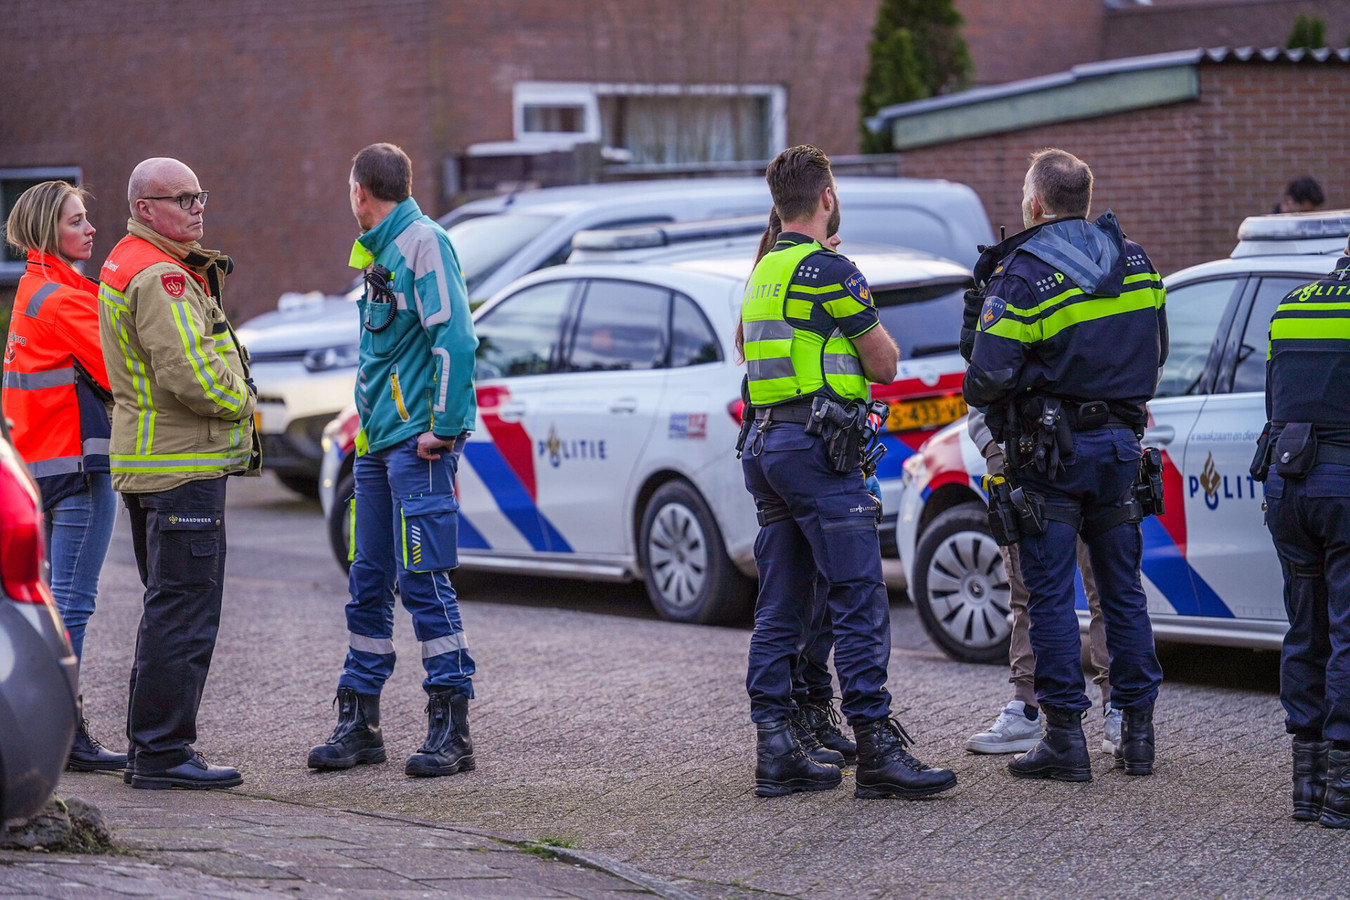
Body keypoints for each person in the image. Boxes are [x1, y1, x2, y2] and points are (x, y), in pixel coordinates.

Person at [738, 144, 956, 799]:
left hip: (769, 446)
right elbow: (885, 362)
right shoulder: (830, 270)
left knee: (780, 604)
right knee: (859, 597)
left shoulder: (763, 272)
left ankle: (777, 743)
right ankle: (877, 750)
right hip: (818, 450)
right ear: (826, 198)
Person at [964, 148, 1167, 782]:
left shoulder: (1024, 274)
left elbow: (986, 378)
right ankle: (1136, 735)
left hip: (1051, 456)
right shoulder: (1136, 261)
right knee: (1122, 591)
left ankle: (1062, 740)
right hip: (1119, 451)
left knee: (1050, 594)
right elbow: (1156, 351)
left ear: (1034, 205)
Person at [307, 143, 479, 778]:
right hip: (378, 445)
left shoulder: (423, 244)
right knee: (368, 581)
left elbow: (454, 338)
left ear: (359, 192)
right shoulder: (381, 249)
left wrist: (444, 426)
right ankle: (359, 722)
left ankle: (451, 726)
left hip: (415, 443)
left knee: (425, 582)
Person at [97, 157, 258, 790]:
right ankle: (163, 753)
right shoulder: (160, 276)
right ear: (145, 209)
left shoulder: (126, 262)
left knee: (167, 606)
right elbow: (188, 372)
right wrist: (242, 400)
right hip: (182, 464)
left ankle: (151, 749)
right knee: (185, 612)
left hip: (153, 463)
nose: (197, 208)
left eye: (200, 195)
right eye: (182, 198)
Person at [2, 180, 124, 772]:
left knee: (47, 600)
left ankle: (48, 722)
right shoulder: (64, 298)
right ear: (50, 231)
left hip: (39, 466)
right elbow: (122, 367)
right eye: (78, 221)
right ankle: (63, 730)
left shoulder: (34, 289)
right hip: (77, 469)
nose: (91, 228)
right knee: (73, 603)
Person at [746, 208, 859, 768]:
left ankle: (806, 713)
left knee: (803, 598)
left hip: (774, 449)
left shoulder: (766, 275)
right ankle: (794, 720)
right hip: (806, 444)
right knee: (815, 597)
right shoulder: (798, 273)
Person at [963, 407, 1120, 757]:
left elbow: (1146, 360)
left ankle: (1117, 707)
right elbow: (981, 379)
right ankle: (1027, 705)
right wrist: (994, 451)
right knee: (1029, 589)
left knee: (1107, 588)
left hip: (1095, 442)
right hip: (1023, 454)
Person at [1259, 237, 1350, 828]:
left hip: (1288, 488)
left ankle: (1305, 784)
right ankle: (1343, 792)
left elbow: (1275, 398)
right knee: (1347, 631)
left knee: (1306, 626)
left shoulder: (1291, 303)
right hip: (1344, 488)